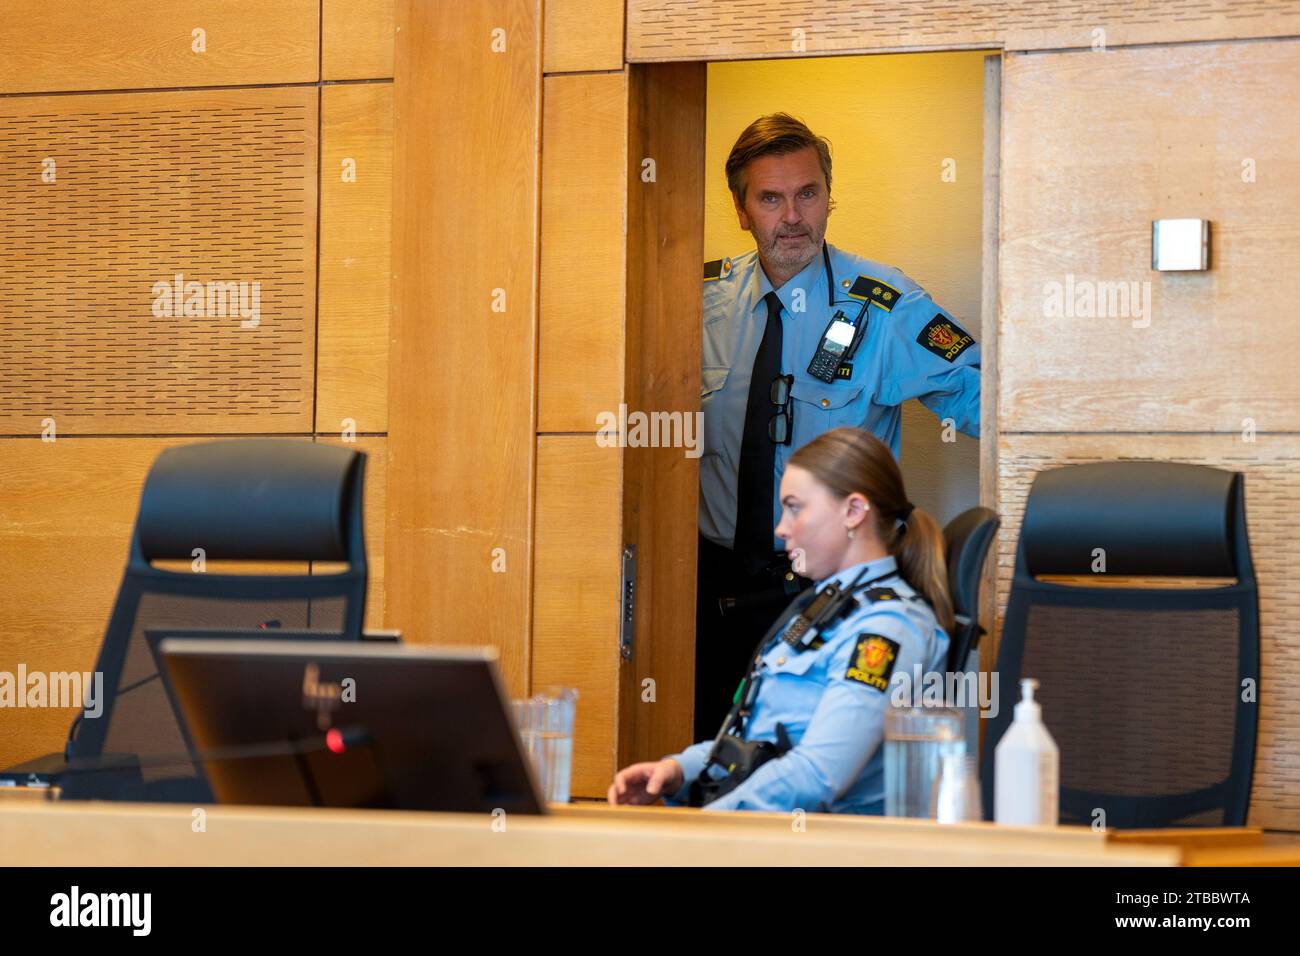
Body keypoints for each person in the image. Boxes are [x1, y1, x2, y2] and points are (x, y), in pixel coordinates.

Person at [695, 112, 979, 738]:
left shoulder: (887, 305)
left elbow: (988, 398)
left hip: (832, 593)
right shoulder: (693, 301)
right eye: (770, 198)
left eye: (808, 194)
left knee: (822, 769)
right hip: (707, 589)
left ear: (828, 198)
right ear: (741, 210)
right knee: (711, 764)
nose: (792, 217)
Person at [611, 427, 953, 813]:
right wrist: (677, 771)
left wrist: (703, 826)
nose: (780, 528)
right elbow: (755, 737)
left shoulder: (886, 627)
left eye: (794, 507)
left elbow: (819, 774)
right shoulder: (826, 609)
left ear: (853, 512)